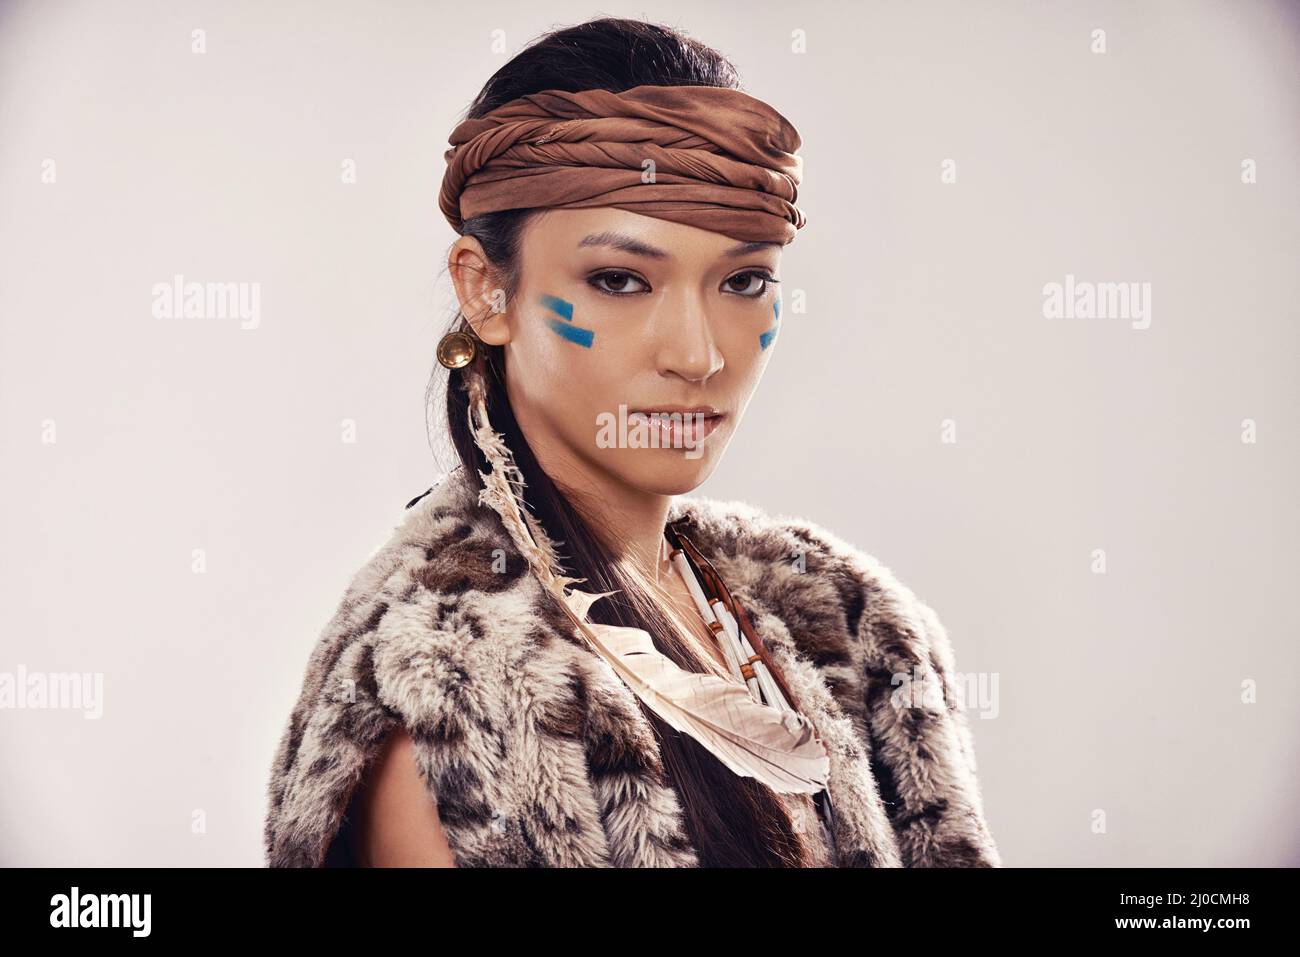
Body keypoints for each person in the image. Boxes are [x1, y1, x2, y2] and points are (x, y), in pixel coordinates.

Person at [264, 16, 1001, 869]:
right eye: (619, 280)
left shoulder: (849, 618)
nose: (697, 354)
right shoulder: (449, 692)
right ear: (486, 291)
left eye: (743, 280)